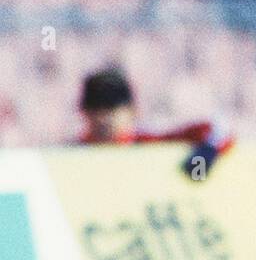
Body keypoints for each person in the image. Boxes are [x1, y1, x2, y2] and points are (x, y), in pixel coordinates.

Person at [79, 67, 232, 179]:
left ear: (132, 111)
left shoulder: (145, 144)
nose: (104, 118)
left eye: (112, 108)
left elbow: (218, 130)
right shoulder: (73, 153)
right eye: (96, 109)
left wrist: (206, 154)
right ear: (84, 112)